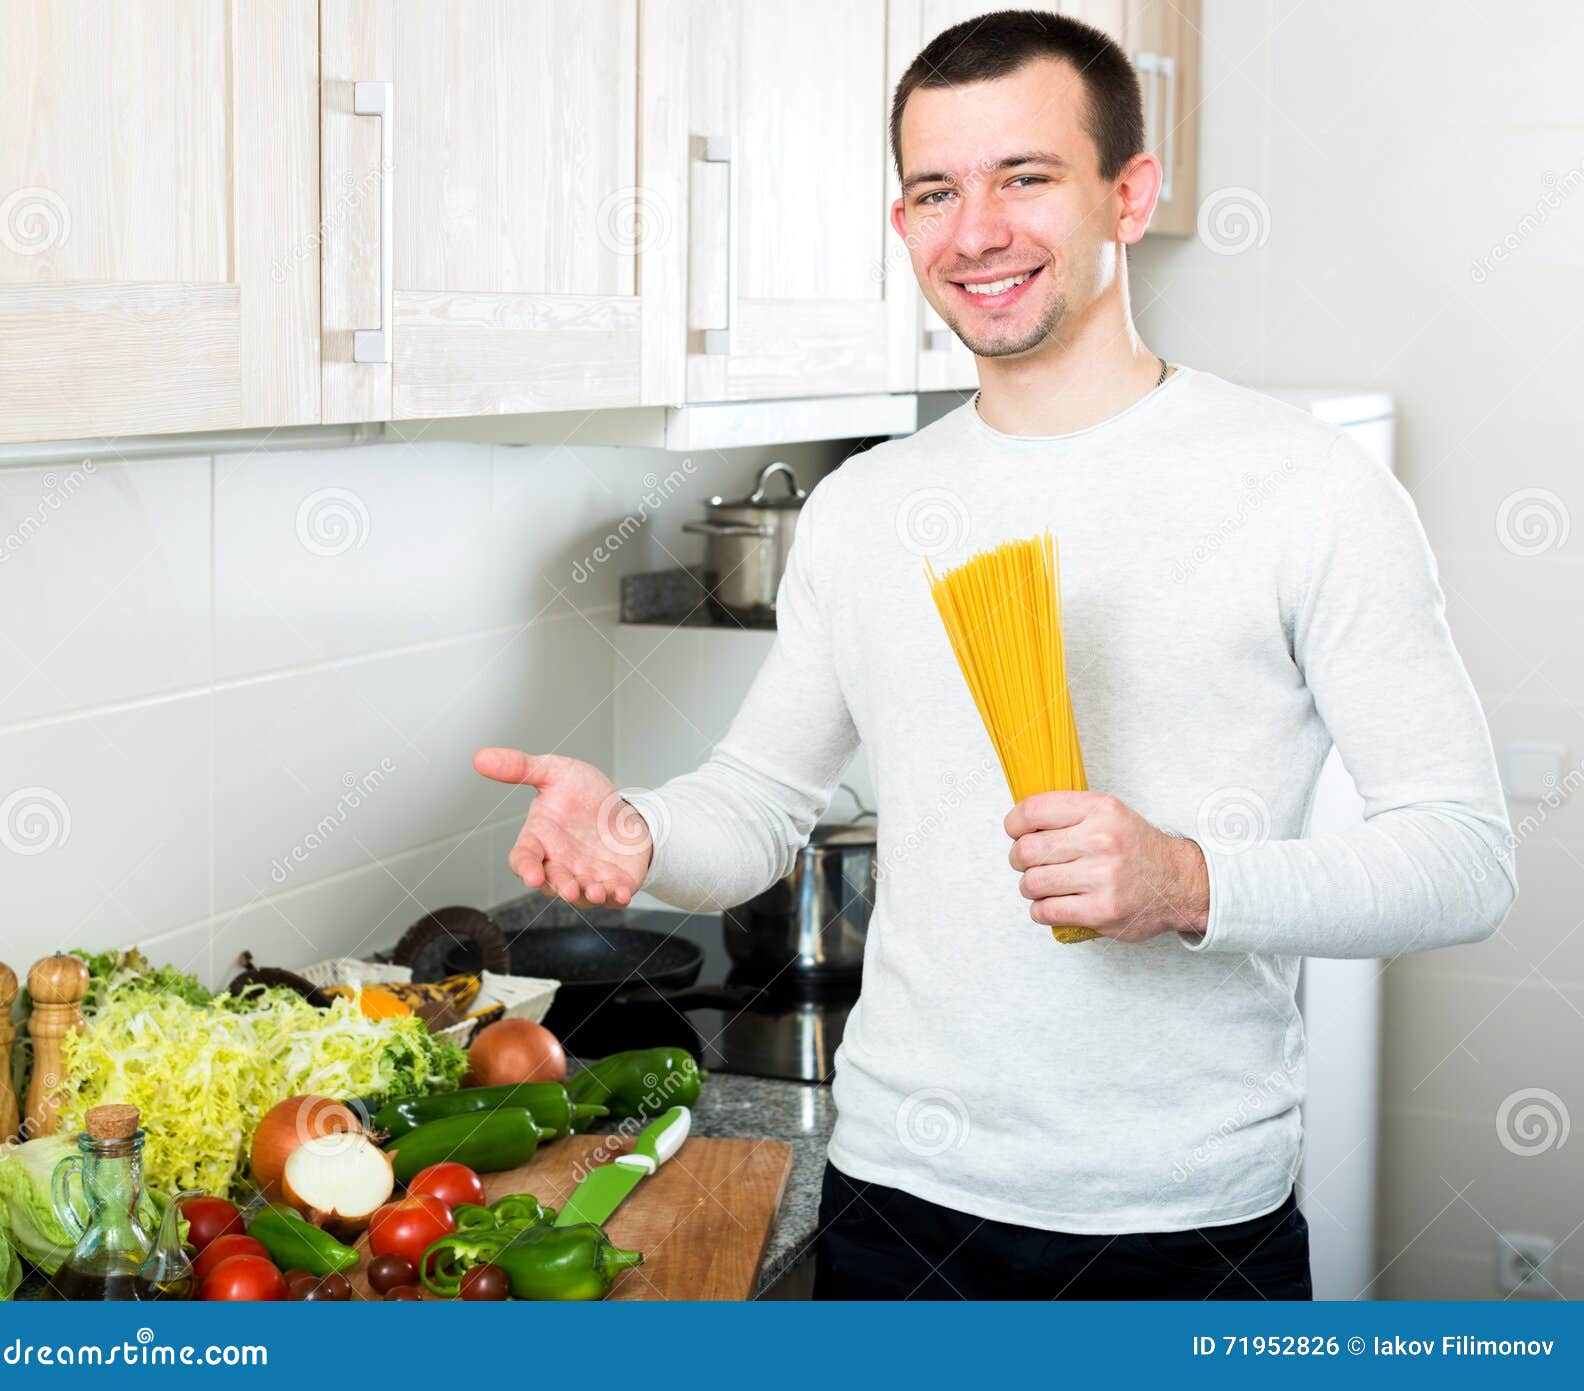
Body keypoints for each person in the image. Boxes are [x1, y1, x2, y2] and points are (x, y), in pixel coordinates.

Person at [474, 9, 1516, 1299]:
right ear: (903, 221)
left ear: (1128, 195)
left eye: (1024, 177)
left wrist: (1189, 883)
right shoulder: (865, 507)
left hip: (1185, 1228)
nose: (975, 232)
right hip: (897, 1204)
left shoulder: (1307, 489)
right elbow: (758, 804)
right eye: (936, 191)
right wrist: (640, 831)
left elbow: (1462, 859)